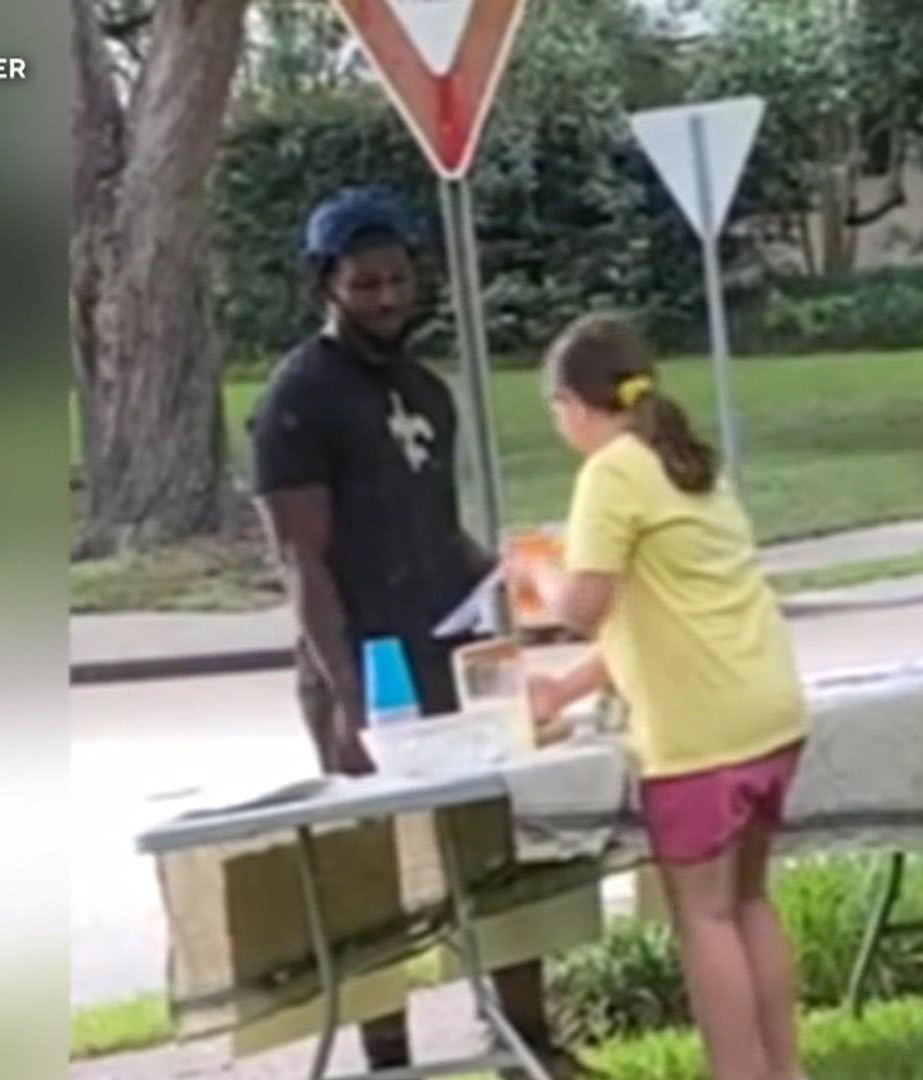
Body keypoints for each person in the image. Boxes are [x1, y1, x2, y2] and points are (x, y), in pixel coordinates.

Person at [249, 187, 579, 1077]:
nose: (388, 298)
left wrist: (511, 588)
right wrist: (353, 704)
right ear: (326, 284)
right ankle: (389, 1061)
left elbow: (436, 526)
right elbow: (302, 564)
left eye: (398, 279)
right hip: (360, 669)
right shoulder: (296, 399)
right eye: (365, 284)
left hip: (451, 661)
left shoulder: (427, 390)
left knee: (494, 853)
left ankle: (527, 1048)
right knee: (371, 880)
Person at [515, 314, 811, 1080]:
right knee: (750, 903)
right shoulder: (689, 465)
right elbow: (657, 615)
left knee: (704, 916)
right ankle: (785, 1070)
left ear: (574, 406)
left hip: (699, 734)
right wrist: (567, 690)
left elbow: (582, 608)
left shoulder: (611, 472)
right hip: (768, 709)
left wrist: (536, 572)